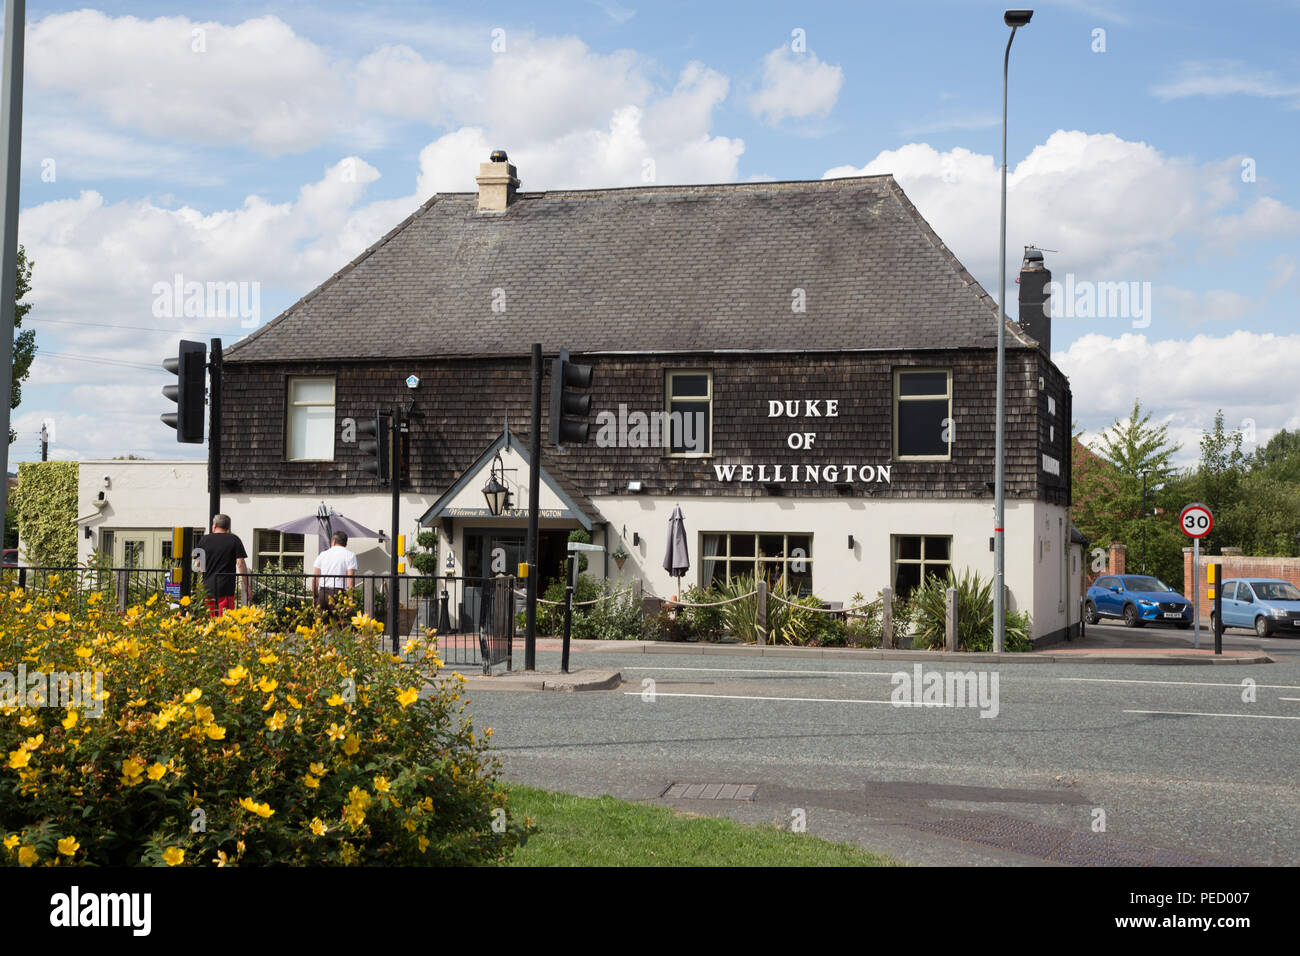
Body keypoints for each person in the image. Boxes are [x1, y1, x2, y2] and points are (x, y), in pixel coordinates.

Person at [195, 514, 250, 617]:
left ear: (214, 525)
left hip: (208, 588)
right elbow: (240, 563)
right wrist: (247, 586)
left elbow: (197, 565)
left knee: (210, 620)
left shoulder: (204, 540)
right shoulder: (234, 539)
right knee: (225, 621)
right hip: (226, 587)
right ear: (228, 527)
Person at [312, 530, 358, 619]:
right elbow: (350, 578)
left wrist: (315, 597)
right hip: (338, 593)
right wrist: (350, 599)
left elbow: (315, 578)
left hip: (323, 592)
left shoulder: (322, 555)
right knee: (340, 624)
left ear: (333, 541)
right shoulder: (350, 555)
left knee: (321, 626)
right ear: (345, 543)